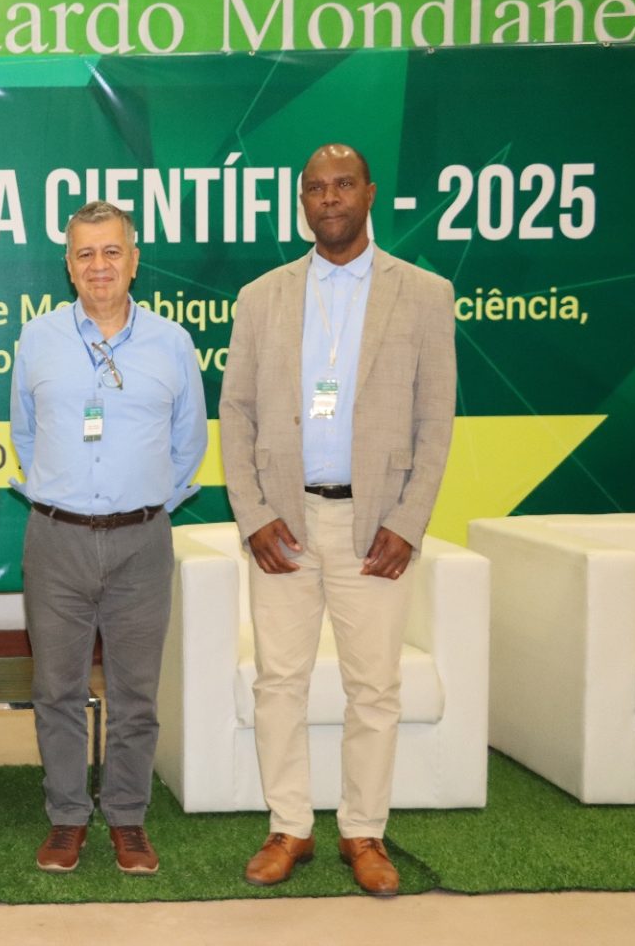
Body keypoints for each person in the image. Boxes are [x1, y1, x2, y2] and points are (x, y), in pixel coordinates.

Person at [220, 143, 456, 897]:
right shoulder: (263, 296)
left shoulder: (424, 293)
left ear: (369, 193)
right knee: (279, 682)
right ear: (303, 201)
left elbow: (436, 420)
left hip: (375, 525)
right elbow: (236, 410)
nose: (329, 198)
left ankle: (363, 831)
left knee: (374, 688)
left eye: (343, 184)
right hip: (284, 524)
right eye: (316, 188)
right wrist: (253, 514)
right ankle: (289, 826)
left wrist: (409, 521)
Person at [10, 201, 207, 876]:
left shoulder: (172, 343)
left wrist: (141, 505)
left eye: (112, 251)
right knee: (56, 690)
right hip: (56, 538)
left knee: (135, 695)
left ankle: (127, 817)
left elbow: (188, 445)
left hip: (142, 542)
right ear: (68, 265)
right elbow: (26, 433)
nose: (99, 265)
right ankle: (67, 816)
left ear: (134, 260)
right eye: (85, 253)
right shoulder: (37, 339)